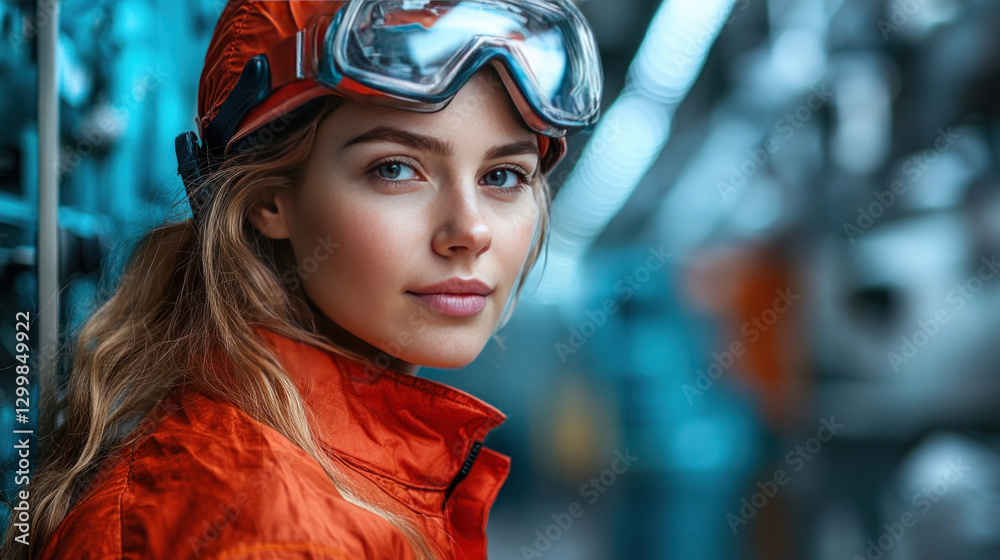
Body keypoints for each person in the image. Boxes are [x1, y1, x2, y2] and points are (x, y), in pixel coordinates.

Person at [3, 1, 601, 559]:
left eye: (503, 176)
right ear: (269, 197)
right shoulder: (261, 527)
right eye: (396, 168)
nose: (469, 231)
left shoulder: (329, 479)